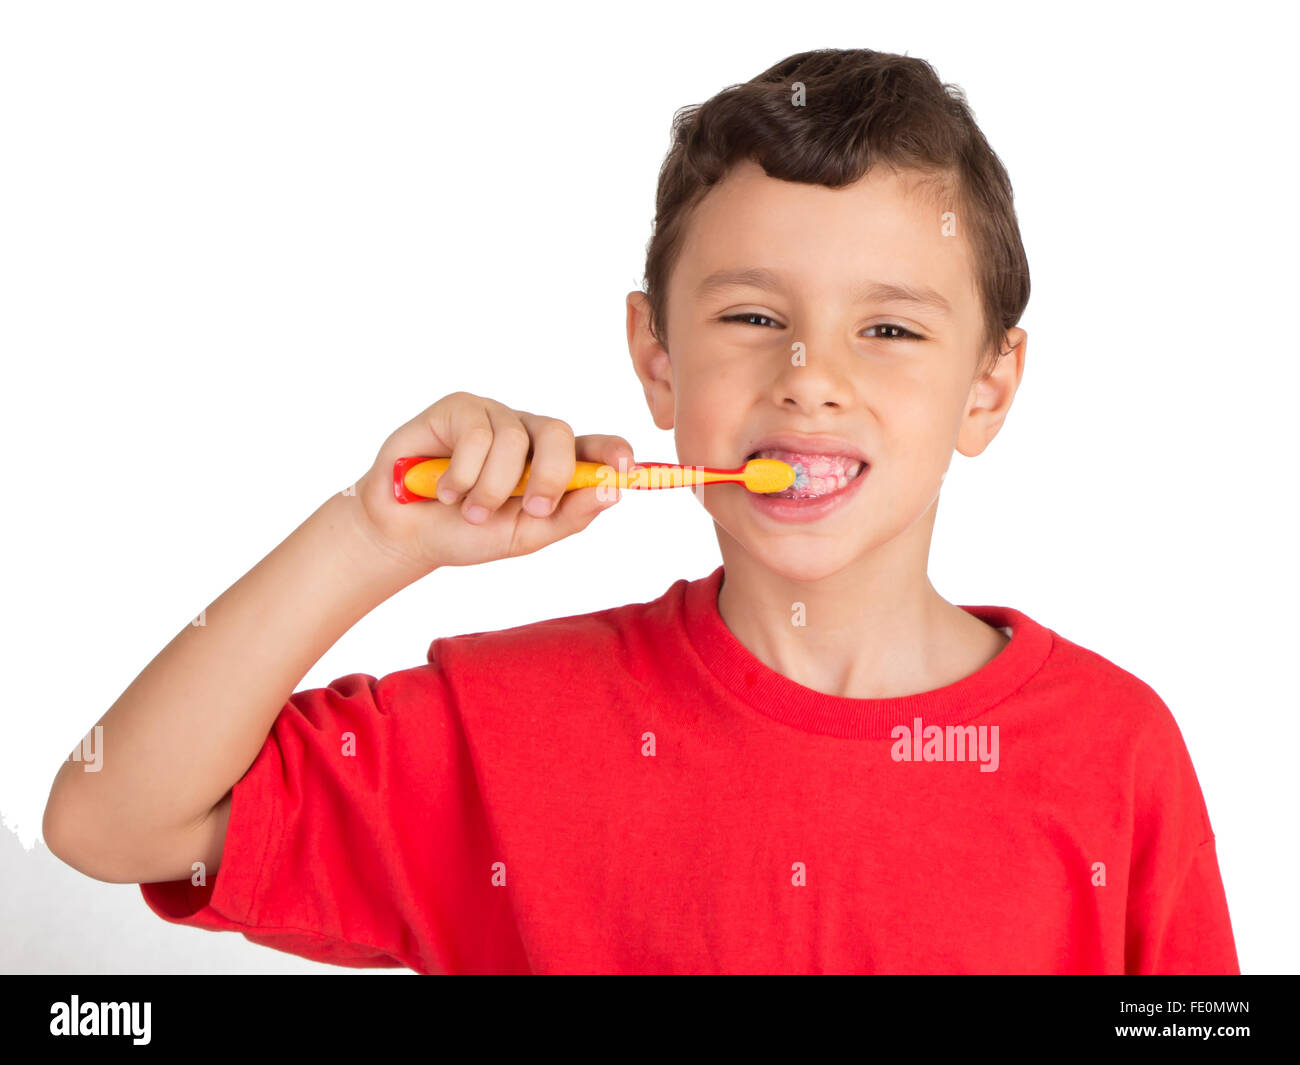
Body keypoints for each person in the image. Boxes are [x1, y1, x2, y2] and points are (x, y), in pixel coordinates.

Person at [43, 48, 1238, 974]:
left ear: (989, 388)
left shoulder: (1116, 753)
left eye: (887, 329)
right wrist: (373, 536)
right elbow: (111, 819)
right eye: (750, 317)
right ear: (656, 362)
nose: (810, 375)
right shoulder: (506, 727)